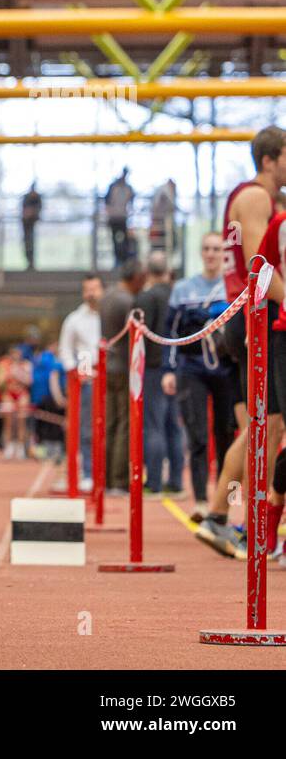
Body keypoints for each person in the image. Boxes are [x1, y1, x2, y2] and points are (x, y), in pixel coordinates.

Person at [195, 125, 286, 557]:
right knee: (263, 427)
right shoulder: (256, 197)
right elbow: (260, 267)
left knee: (265, 426)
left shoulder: (258, 198)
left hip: (253, 317)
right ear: (270, 160)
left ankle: (231, 520)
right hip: (254, 317)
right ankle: (236, 522)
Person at [163, 232, 235, 516]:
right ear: (200, 252)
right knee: (197, 436)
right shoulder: (183, 289)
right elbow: (170, 331)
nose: (211, 254)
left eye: (216, 249)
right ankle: (201, 502)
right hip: (191, 368)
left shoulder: (234, 287)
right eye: (206, 248)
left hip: (226, 369)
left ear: (224, 253)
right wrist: (169, 370)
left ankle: (222, 504)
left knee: (226, 434)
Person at [135, 252, 183, 496]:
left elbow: (141, 336)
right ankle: (176, 481)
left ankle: (153, 482)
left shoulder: (146, 297)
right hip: (177, 367)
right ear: (168, 270)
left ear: (147, 270)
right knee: (174, 425)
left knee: (154, 426)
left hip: (154, 368)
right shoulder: (179, 294)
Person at [100, 260, 147, 493]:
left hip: (108, 366)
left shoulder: (107, 296)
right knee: (124, 424)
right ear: (136, 278)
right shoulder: (128, 302)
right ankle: (118, 481)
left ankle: (105, 478)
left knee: (110, 423)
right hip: (123, 368)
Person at [57, 273, 103, 486]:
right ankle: (88, 472)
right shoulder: (74, 319)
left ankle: (111, 474)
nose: (91, 293)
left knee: (113, 425)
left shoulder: (112, 314)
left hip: (112, 372)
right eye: (88, 289)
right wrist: (75, 371)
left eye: (95, 288)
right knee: (87, 426)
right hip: (86, 371)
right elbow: (65, 350)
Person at [29, 340, 66, 460]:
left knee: (42, 425)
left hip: (38, 396)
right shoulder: (52, 359)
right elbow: (53, 378)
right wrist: (58, 397)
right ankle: (51, 451)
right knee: (52, 425)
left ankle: (44, 450)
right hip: (49, 397)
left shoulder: (38, 358)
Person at [0, 345, 32, 458]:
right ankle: (9, 445)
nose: (15, 356)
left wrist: (18, 374)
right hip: (8, 393)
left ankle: (20, 447)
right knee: (8, 423)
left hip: (21, 394)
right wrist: (7, 375)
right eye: (13, 353)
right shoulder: (4, 365)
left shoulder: (26, 364)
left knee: (21, 422)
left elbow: (29, 381)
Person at [104, 168, 135, 268]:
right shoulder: (113, 187)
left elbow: (132, 201)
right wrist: (108, 215)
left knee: (125, 241)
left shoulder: (128, 188)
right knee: (115, 240)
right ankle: (117, 261)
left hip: (123, 218)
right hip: (114, 218)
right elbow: (107, 202)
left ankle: (124, 261)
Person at [149, 178, 177, 257]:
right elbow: (171, 205)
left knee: (166, 242)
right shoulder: (165, 190)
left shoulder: (163, 189)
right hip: (159, 219)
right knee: (159, 242)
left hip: (160, 219)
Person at [21, 182, 42, 270]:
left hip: (32, 222)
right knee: (27, 242)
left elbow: (39, 207)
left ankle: (31, 261)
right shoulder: (26, 197)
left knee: (31, 241)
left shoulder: (37, 198)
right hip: (26, 223)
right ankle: (29, 260)